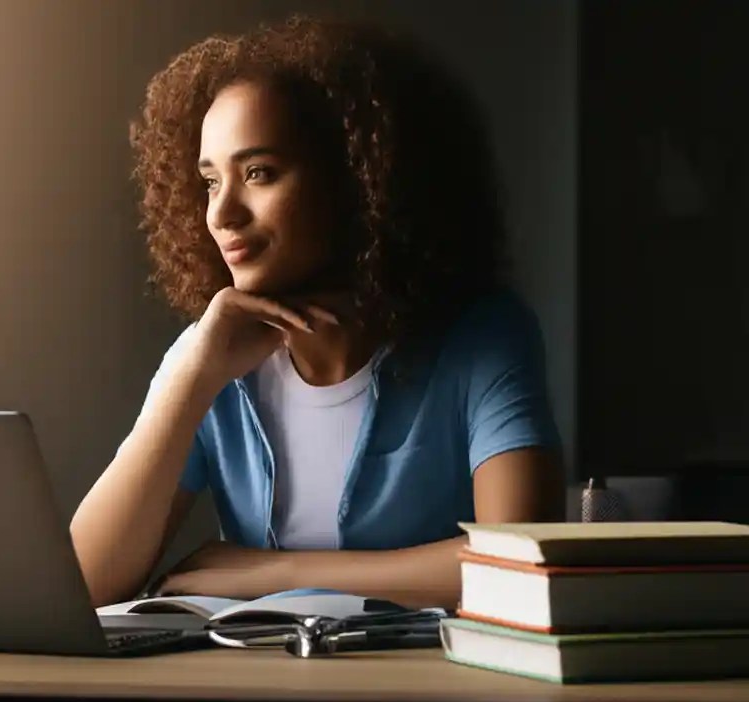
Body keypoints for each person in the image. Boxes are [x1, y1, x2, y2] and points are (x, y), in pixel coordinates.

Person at [69, 15, 565, 610]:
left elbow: (520, 564)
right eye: (208, 182)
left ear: (355, 179)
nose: (221, 214)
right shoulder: (212, 358)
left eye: (258, 173)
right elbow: (84, 586)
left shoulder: (482, 337)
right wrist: (186, 379)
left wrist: (272, 573)